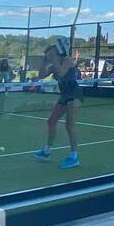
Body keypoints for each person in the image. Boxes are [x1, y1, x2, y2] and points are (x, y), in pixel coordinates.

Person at [33, 36, 80, 170]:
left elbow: (61, 71)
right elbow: (41, 75)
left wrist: (53, 59)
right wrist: (44, 61)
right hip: (65, 95)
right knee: (51, 121)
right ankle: (47, 151)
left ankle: (74, 157)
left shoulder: (68, 60)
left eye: (52, 51)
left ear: (58, 50)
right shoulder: (54, 65)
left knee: (70, 126)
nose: (50, 54)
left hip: (74, 94)